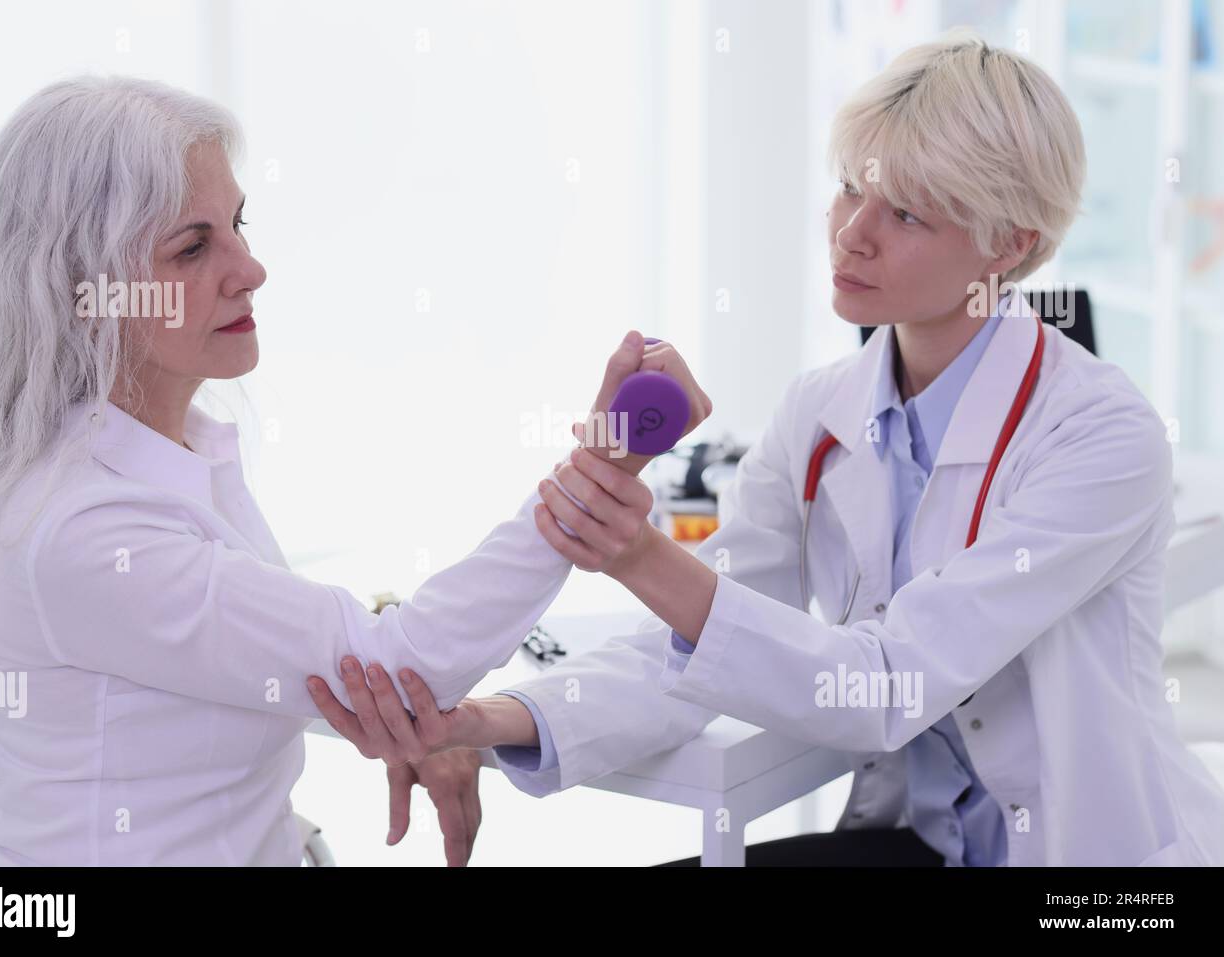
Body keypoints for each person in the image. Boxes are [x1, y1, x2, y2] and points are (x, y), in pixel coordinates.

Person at [312, 31, 1224, 866]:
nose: (851, 234)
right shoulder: (821, 411)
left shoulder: (1101, 435)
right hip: (919, 843)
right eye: (851, 187)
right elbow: (692, 649)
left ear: (1009, 245)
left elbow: (886, 684)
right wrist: (482, 719)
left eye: (907, 214)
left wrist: (636, 553)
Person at [0, 75, 710, 866]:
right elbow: (398, 662)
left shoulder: (174, 453)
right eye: (193, 247)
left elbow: (285, 654)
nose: (250, 268)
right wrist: (601, 466)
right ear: (84, 293)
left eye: (237, 225)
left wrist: (396, 704)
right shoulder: (83, 527)